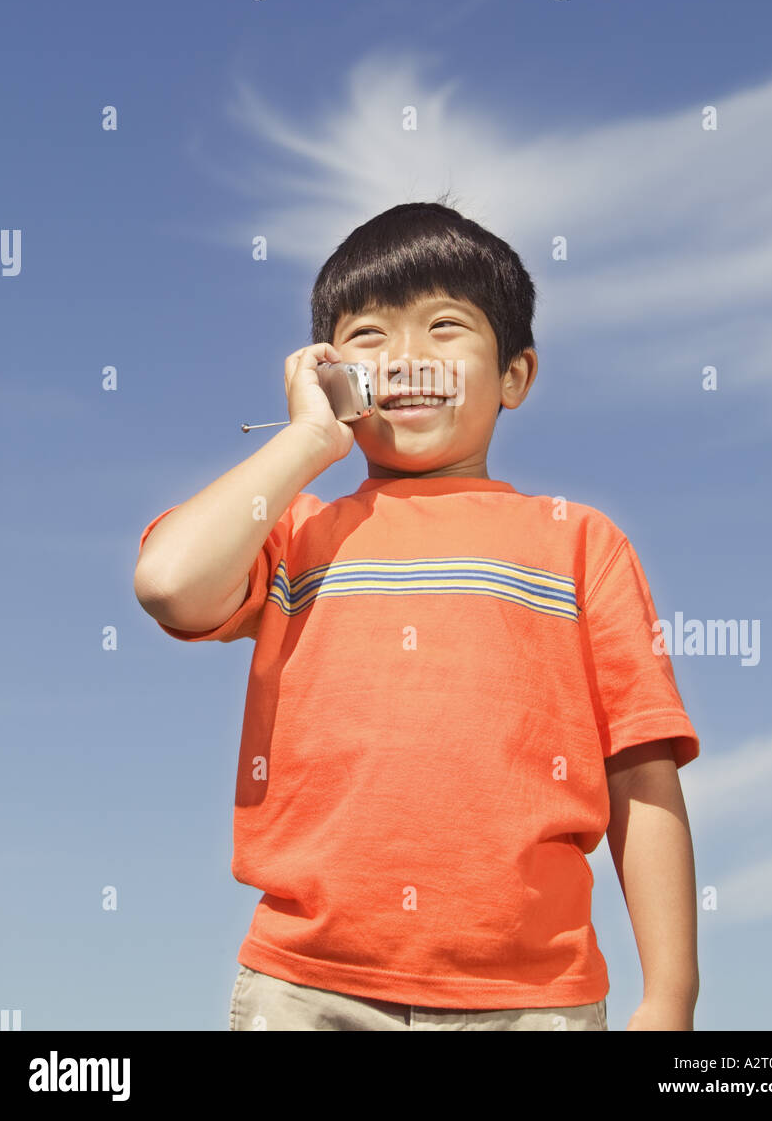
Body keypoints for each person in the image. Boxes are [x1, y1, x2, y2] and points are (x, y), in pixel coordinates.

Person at [133, 198, 701, 1032]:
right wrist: (308, 441)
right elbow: (170, 582)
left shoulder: (581, 544)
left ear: (514, 375)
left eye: (445, 327)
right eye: (368, 336)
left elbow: (643, 776)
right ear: (331, 370)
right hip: (306, 987)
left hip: (534, 1002)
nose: (406, 359)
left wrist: (669, 997)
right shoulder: (295, 535)